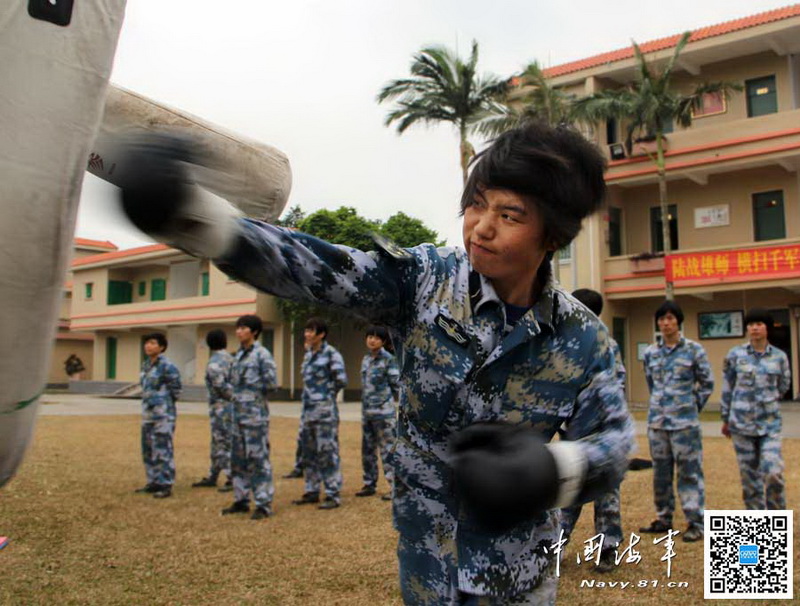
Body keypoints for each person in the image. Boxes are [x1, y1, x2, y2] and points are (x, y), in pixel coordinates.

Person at [119, 122, 634, 604]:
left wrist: (550, 471)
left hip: (520, 573)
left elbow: (614, 443)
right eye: (476, 205)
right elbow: (318, 267)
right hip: (427, 559)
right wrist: (202, 220)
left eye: (510, 215)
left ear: (554, 236)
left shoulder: (581, 338)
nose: (481, 227)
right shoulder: (425, 280)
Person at [559, 288, 626, 573]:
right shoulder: (561, 345)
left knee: (605, 492)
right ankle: (555, 547)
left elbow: (616, 384)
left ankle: (608, 548)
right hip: (572, 433)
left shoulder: (606, 346)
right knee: (567, 490)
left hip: (600, 433)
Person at [640, 301, 713, 543]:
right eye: (662, 319)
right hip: (658, 424)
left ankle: (696, 521)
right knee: (660, 473)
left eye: (670, 318)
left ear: (678, 322)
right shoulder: (651, 353)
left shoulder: (694, 350)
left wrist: (691, 407)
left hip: (685, 425)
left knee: (689, 474)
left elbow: (707, 383)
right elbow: (652, 384)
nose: (666, 323)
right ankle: (663, 518)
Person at [721, 308, 790, 510]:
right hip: (741, 426)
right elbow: (728, 387)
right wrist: (726, 419)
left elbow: (784, 385)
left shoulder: (779, 357)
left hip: (769, 425)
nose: (755, 328)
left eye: (759, 324)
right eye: (751, 325)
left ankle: (776, 519)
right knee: (750, 481)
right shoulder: (735, 355)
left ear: (767, 328)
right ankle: (758, 527)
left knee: (773, 472)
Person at [221, 315, 278, 520]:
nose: (238, 332)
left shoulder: (262, 354)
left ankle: (263, 503)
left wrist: (252, 396)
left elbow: (271, 383)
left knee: (258, 460)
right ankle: (241, 499)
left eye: (243, 328)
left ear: (254, 332)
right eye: (237, 328)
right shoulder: (237, 356)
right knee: (237, 460)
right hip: (237, 416)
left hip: (255, 417)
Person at [292, 317, 347, 510]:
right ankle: (312, 490)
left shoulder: (331, 354)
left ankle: (332, 493)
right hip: (307, 412)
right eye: (306, 331)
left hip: (324, 412)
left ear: (321, 334)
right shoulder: (308, 354)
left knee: (327, 452)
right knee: (309, 452)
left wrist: (324, 397)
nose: (307, 334)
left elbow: (341, 380)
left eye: (311, 331)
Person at [356, 325, 400, 501]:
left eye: (376, 337)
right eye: (369, 336)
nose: (371, 340)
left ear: (383, 341)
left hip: (384, 414)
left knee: (388, 451)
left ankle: (395, 486)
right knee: (367, 451)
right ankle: (369, 483)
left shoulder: (389, 360)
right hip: (367, 413)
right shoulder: (366, 360)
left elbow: (396, 385)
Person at [135, 333, 181, 499]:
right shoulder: (146, 365)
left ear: (161, 347)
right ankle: (153, 481)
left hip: (163, 415)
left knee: (163, 449)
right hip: (148, 414)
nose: (148, 346)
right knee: (148, 449)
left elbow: (176, 390)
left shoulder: (168, 366)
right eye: (147, 342)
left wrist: (163, 403)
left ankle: (165, 484)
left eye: (153, 343)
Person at [192, 329, 234, 492]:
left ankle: (232, 477)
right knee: (218, 442)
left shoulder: (214, 363)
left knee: (223, 442)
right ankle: (213, 474)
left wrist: (234, 397)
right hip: (228, 407)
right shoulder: (231, 359)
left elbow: (221, 387)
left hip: (221, 408)